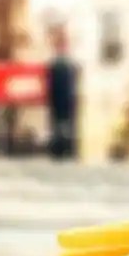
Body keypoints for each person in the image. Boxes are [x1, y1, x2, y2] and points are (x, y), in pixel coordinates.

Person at [46, 25, 78, 160]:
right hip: (61, 99)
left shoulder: (66, 64)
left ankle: (64, 147)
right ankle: (62, 148)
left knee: (64, 125)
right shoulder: (57, 64)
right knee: (60, 125)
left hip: (65, 99)